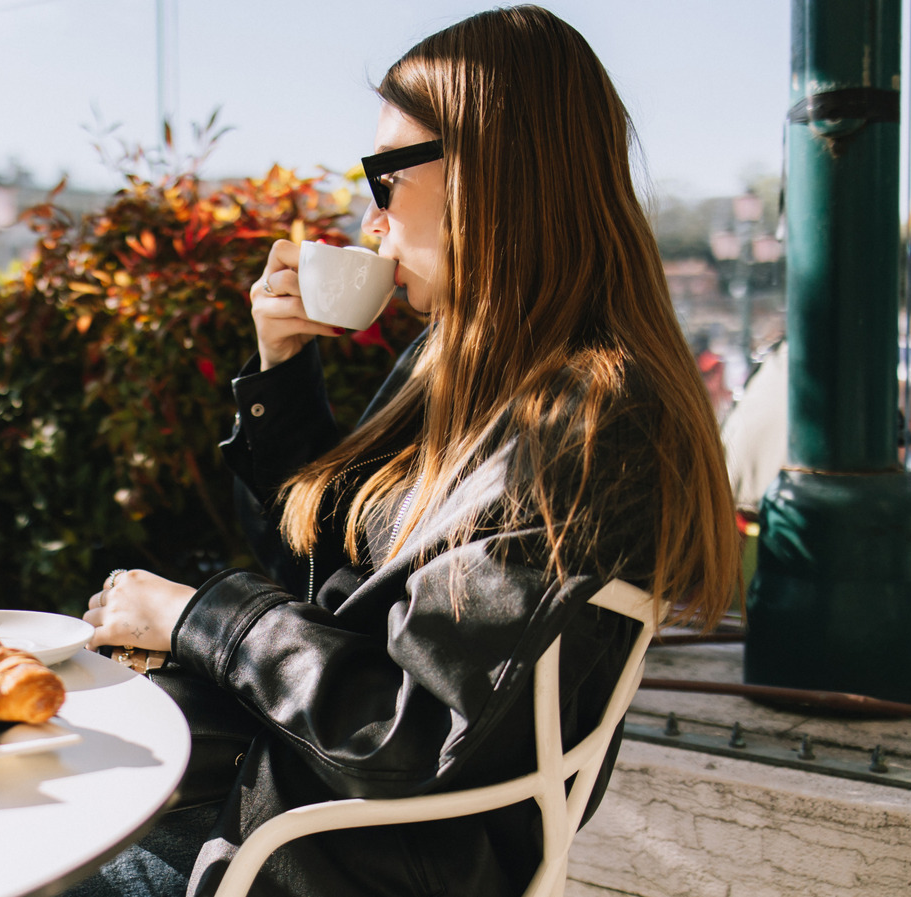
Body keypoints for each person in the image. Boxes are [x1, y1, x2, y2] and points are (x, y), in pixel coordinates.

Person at [74, 7, 738, 896]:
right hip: (295, 806)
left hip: (335, 854)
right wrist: (282, 371)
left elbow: (411, 729)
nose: (369, 217)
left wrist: (197, 618)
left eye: (384, 179)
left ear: (494, 174)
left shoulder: (589, 424)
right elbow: (322, 573)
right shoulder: (466, 367)